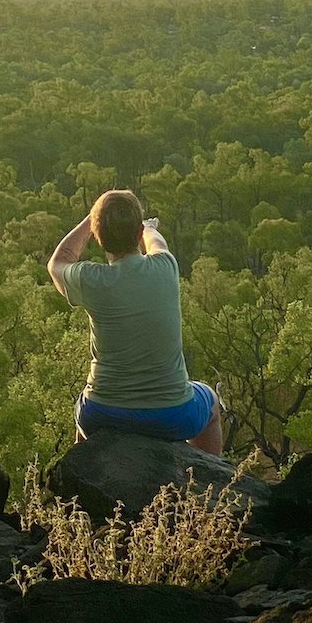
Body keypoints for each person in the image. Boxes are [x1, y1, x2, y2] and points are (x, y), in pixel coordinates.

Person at [47, 189, 222, 454]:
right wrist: (149, 229)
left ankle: (80, 480)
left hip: (102, 414)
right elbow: (157, 244)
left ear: (98, 235)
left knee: (87, 401)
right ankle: (209, 485)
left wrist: (92, 220)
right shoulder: (165, 267)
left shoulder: (91, 280)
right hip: (171, 415)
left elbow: (58, 262)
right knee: (211, 404)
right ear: (138, 232)